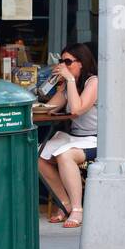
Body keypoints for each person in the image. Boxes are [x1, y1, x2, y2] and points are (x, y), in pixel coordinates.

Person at [37, 43, 98, 229]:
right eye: (61, 61)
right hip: (75, 137)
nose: (64, 65)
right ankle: (64, 203)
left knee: (65, 155)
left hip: (95, 138)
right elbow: (51, 108)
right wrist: (54, 83)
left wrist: (70, 81)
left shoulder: (93, 82)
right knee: (37, 154)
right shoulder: (70, 84)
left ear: (82, 63)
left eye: (68, 62)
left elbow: (78, 109)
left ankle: (77, 209)